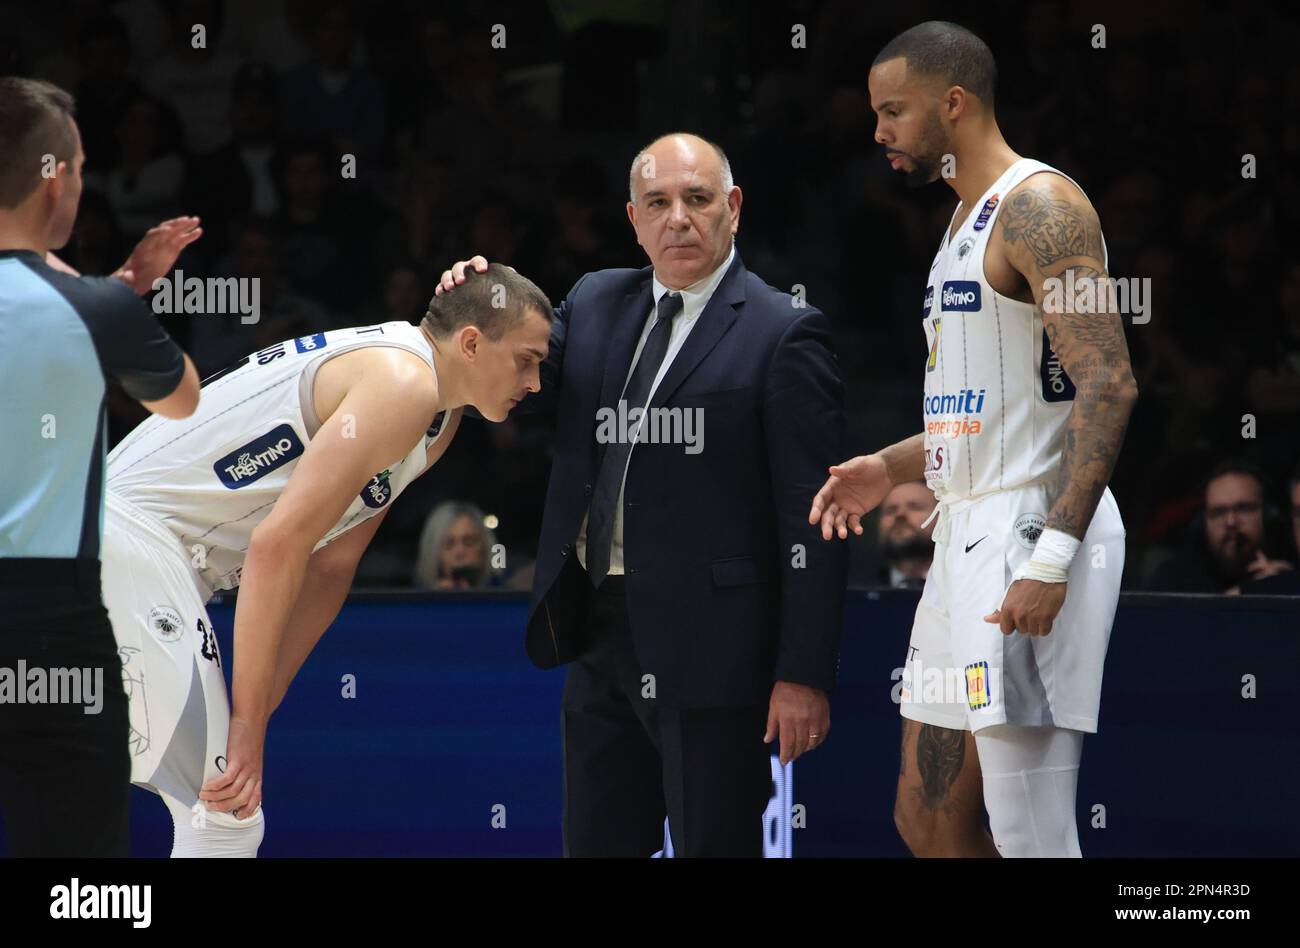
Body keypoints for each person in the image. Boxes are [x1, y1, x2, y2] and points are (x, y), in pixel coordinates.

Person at [439, 132, 847, 857]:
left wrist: (803, 673)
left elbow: (813, 519)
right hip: (596, 629)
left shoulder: (784, 332)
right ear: (633, 219)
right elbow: (519, 384)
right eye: (657, 203)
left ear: (734, 208)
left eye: (697, 199)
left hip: (716, 649)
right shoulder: (595, 302)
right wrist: (473, 301)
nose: (678, 219)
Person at [811, 22, 1138, 857]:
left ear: (953, 104)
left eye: (895, 111)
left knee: (1031, 833)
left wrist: (1053, 559)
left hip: (1031, 529)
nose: (878, 131)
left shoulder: (1041, 207)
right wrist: (887, 466)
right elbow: (988, 409)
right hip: (963, 530)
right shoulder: (964, 219)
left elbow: (1108, 381)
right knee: (926, 818)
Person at [102, 264, 551, 856]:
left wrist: (255, 709)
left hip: (139, 550)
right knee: (224, 813)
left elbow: (330, 569)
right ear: (470, 343)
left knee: (96, 763)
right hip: (128, 535)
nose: (537, 381)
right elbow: (276, 545)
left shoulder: (438, 420)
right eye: (527, 359)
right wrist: (245, 728)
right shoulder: (403, 383)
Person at [0, 76, 199, 856]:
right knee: (81, 882)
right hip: (53, 630)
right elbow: (179, 400)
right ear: (54, 181)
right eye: (78, 166)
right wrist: (123, 300)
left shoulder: (94, 307)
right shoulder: (97, 312)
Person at [1149, 459, 1295, 593]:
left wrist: (1280, 586)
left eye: (1244, 508)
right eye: (1218, 512)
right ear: (1203, 522)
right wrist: (1252, 592)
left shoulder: (1289, 574)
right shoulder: (1172, 579)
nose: (1231, 522)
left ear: (1269, 515)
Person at [413, 500, 499, 590]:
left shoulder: (507, 596)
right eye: (449, 545)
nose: (460, 552)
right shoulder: (415, 601)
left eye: (469, 542)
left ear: (485, 547)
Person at [877, 480, 938, 588]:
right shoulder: (851, 591)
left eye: (915, 507)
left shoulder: (965, 588)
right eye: (891, 510)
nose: (900, 514)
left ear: (941, 518)